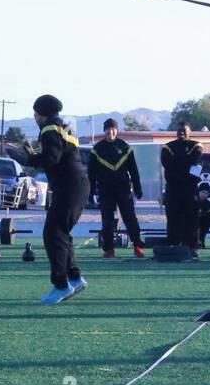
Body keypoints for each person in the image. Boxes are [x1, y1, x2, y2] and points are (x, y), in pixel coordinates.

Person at [17, 95, 90, 305]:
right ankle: (75, 278)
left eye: (35, 112)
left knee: (53, 234)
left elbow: (51, 158)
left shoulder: (49, 128)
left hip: (69, 186)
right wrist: (34, 155)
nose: (34, 116)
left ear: (41, 113)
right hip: (77, 184)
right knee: (61, 233)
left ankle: (61, 284)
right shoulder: (64, 127)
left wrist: (28, 159)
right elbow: (58, 155)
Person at [88, 118, 146, 258]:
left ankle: (137, 245)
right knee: (107, 220)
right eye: (108, 129)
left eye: (113, 129)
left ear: (117, 130)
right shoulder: (97, 149)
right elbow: (91, 173)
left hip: (123, 188)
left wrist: (137, 188)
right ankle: (109, 249)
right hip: (105, 189)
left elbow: (134, 170)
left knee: (130, 217)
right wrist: (90, 193)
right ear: (104, 131)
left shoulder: (125, 147)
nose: (110, 132)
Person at [160, 121, 203, 255]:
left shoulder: (196, 145)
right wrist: (185, 165)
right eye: (179, 130)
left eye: (184, 130)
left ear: (190, 132)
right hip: (173, 188)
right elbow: (166, 163)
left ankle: (191, 247)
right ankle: (173, 244)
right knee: (173, 217)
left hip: (189, 187)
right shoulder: (168, 147)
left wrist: (177, 163)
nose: (181, 133)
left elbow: (194, 160)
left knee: (192, 218)